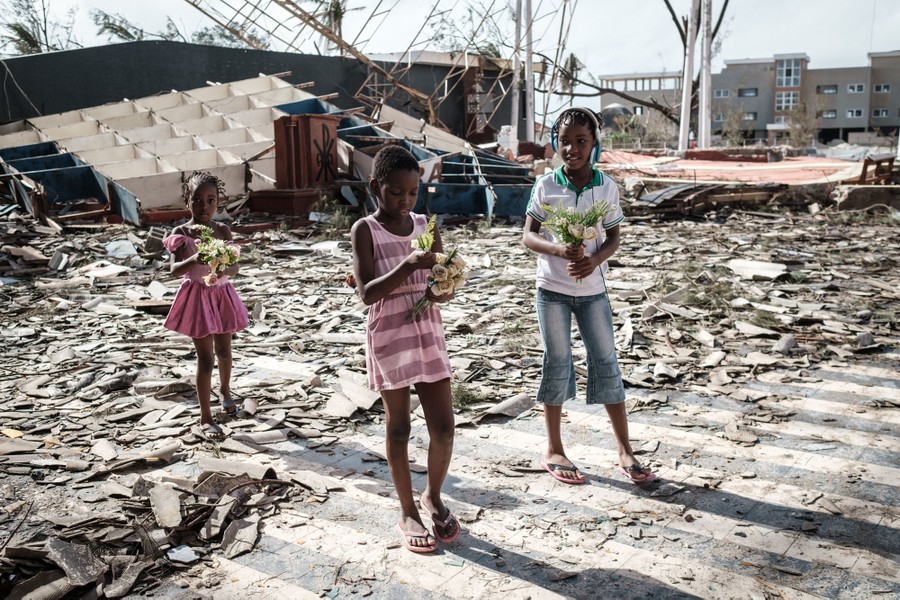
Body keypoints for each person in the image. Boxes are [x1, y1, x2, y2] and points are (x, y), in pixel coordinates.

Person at [522, 107, 655, 485]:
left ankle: (625, 449)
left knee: (606, 360)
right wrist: (558, 251)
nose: (572, 148)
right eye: (565, 140)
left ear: (595, 144)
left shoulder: (605, 186)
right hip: (551, 291)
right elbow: (528, 235)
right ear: (555, 143)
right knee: (557, 361)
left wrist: (595, 258)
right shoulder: (545, 185)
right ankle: (553, 448)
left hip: (594, 291)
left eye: (581, 141)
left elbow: (613, 236)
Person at [350, 145, 461, 553]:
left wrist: (442, 288)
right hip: (389, 332)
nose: (405, 200)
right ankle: (408, 509)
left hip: (427, 329)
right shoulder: (365, 229)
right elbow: (366, 293)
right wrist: (409, 266)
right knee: (399, 426)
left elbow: (439, 280)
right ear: (376, 186)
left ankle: (433, 494)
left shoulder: (424, 225)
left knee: (444, 427)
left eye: (413, 192)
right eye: (396, 192)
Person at [163, 171, 249, 441]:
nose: (204, 207)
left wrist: (224, 264)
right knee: (205, 359)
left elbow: (234, 268)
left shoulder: (222, 230)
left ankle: (225, 390)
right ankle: (206, 418)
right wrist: (198, 257)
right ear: (187, 200)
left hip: (222, 295)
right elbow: (175, 271)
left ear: (219, 202)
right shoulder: (182, 234)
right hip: (198, 298)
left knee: (224, 351)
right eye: (197, 200)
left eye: (211, 200)